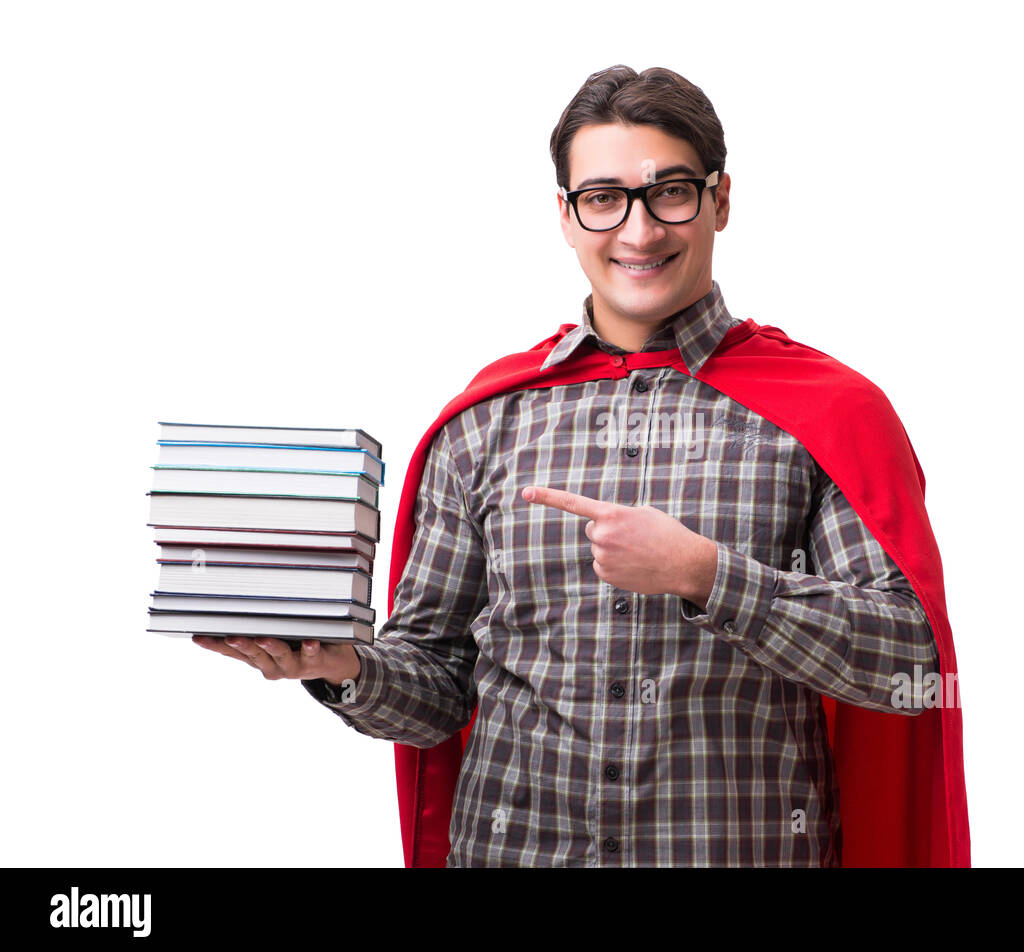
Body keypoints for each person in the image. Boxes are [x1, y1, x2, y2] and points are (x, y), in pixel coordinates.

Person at [194, 64, 963, 867]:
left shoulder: (827, 415)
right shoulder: (485, 421)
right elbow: (438, 686)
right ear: (565, 216)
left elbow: (908, 664)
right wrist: (345, 668)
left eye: (670, 192)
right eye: (603, 199)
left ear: (720, 200)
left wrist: (706, 573)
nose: (638, 232)